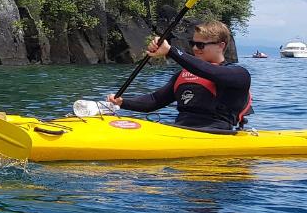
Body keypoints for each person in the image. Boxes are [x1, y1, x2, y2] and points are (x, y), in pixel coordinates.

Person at [106, 21, 252, 132]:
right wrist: (122, 102)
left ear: (221, 46)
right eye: (193, 43)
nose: (195, 48)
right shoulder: (184, 75)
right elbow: (154, 100)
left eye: (201, 45)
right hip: (179, 131)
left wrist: (171, 51)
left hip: (216, 134)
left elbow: (208, 71)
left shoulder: (238, 75)